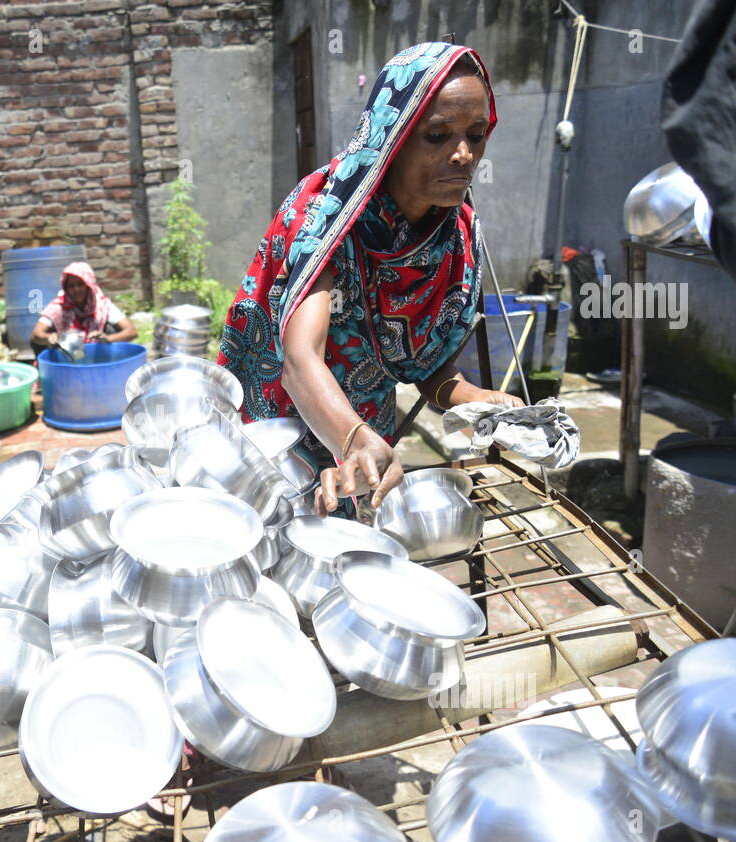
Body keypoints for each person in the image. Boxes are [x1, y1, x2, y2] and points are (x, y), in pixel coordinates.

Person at [218, 42, 525, 518]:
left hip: (363, 436)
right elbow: (300, 359)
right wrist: (353, 437)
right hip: (277, 428)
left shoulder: (452, 233)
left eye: (477, 134)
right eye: (438, 135)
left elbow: (427, 370)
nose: (464, 154)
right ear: (393, 135)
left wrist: (479, 402)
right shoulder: (327, 214)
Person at [29, 262, 137, 350]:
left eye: (80, 284)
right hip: (67, 353)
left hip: (96, 351)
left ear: (88, 285)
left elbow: (131, 332)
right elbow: (36, 334)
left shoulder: (102, 305)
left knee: (111, 329)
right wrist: (50, 337)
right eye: (71, 286)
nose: (76, 290)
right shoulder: (58, 306)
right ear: (66, 288)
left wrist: (107, 338)